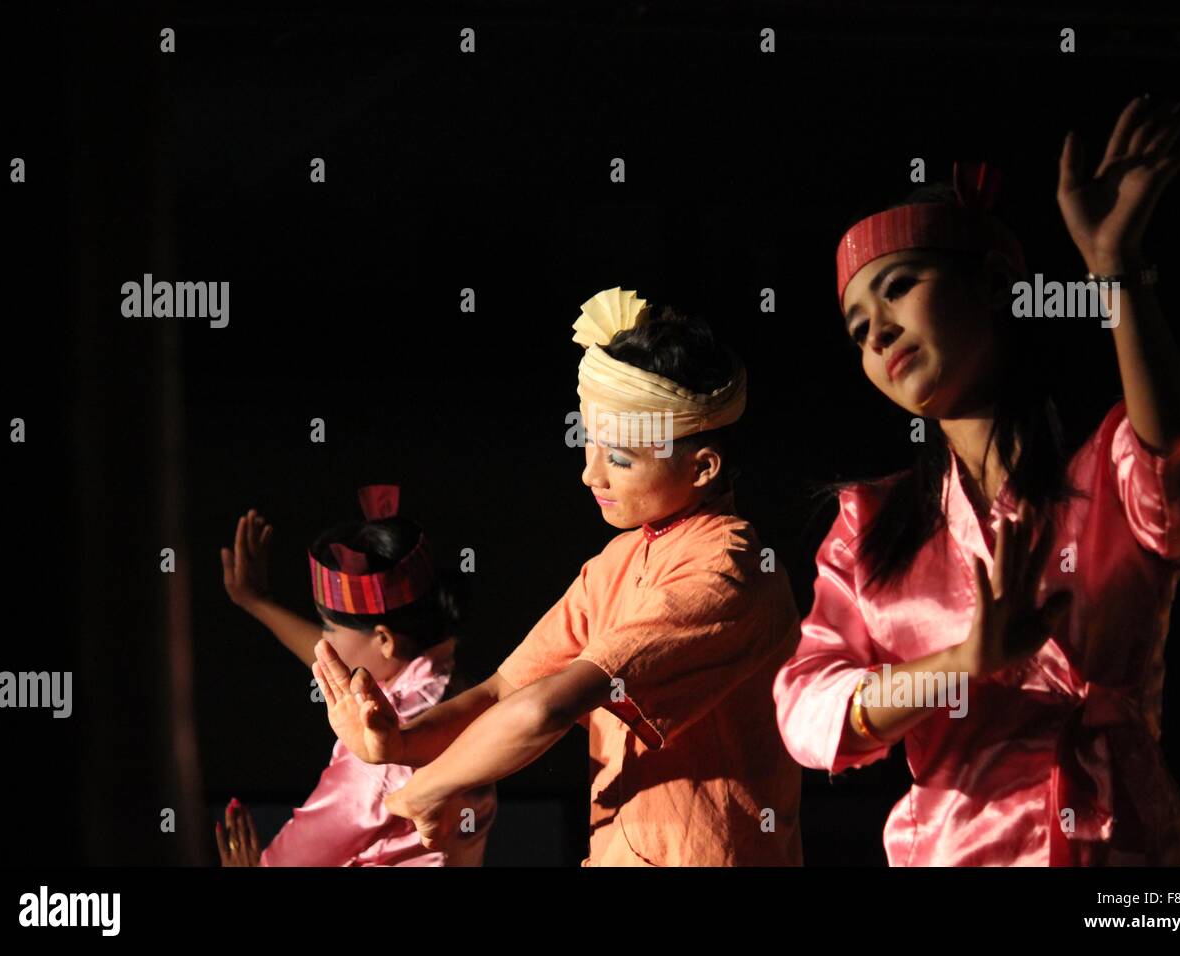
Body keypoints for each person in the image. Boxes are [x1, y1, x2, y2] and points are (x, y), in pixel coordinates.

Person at [774, 98, 1180, 865]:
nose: (878, 330)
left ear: (992, 282)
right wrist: (960, 664)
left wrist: (1114, 268)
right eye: (857, 328)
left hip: (1126, 851)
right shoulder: (871, 520)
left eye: (898, 287)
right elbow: (805, 708)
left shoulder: (1105, 466)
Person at [313, 288, 803, 865]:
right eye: (590, 445)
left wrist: (424, 788)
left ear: (703, 467)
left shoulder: (728, 568)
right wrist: (397, 743)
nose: (589, 473)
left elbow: (546, 708)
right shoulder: (615, 563)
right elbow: (504, 692)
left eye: (619, 459)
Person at [217, 487, 495, 866]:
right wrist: (257, 603)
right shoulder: (449, 684)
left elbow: (297, 858)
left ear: (383, 638)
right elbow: (336, 660)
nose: (322, 640)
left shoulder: (384, 735)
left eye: (328, 628)